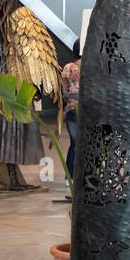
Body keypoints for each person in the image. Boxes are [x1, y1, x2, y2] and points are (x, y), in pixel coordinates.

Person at [60, 40, 81, 183]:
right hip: (83, 110)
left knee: (74, 143)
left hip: (70, 109)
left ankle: (69, 177)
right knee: (79, 143)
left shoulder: (67, 67)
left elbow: (64, 89)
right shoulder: (86, 67)